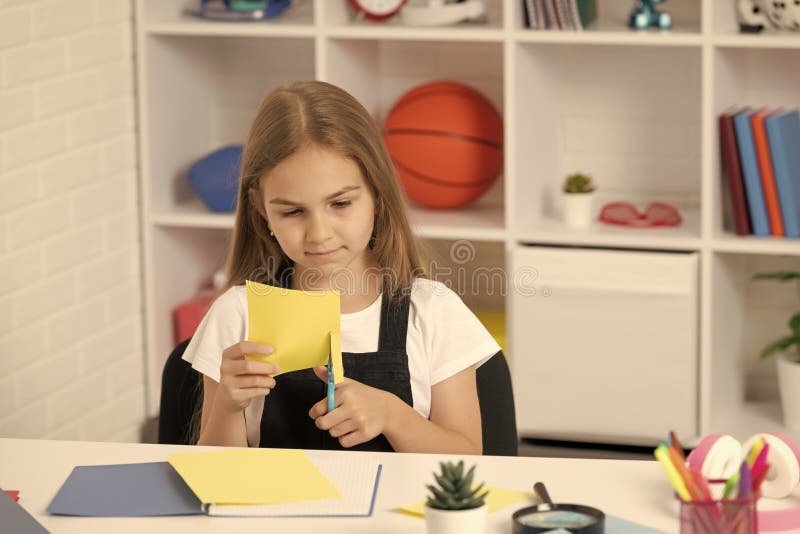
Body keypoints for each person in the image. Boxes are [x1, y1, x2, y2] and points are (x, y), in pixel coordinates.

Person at [182, 80, 501, 453]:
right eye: (293, 211)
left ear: (378, 195)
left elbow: (468, 457)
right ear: (261, 209)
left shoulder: (433, 312)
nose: (319, 234)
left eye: (341, 204)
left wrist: (393, 416)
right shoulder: (236, 315)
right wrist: (227, 406)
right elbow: (216, 472)